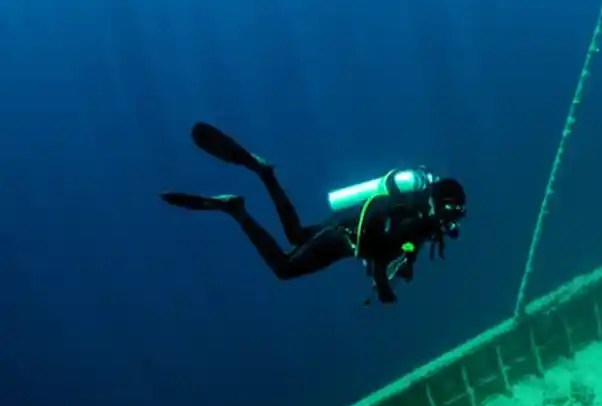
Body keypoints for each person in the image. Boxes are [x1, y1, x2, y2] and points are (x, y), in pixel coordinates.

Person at [160, 122, 466, 304]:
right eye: (450, 217)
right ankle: (236, 210)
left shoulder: (424, 222)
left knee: (295, 234)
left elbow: (404, 243)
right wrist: (383, 280)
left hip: (341, 233)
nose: (450, 225)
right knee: (283, 268)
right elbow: (377, 215)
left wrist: (404, 264)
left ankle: (265, 175)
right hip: (341, 238)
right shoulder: (416, 213)